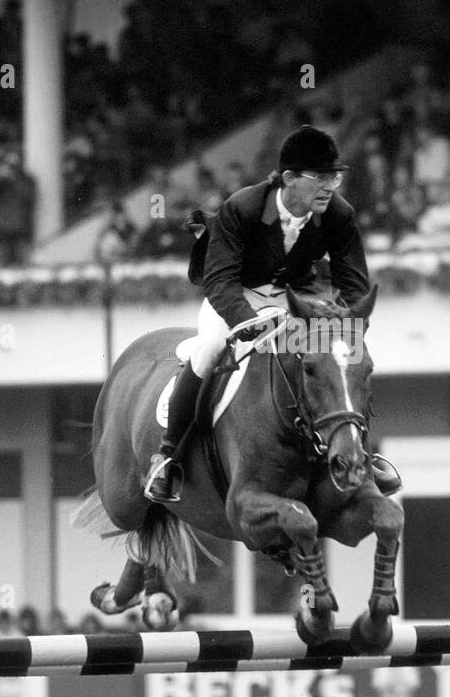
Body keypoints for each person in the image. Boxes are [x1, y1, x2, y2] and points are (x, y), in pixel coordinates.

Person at [144, 125, 402, 504]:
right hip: (235, 294)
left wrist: (345, 330)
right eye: (321, 177)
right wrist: (247, 320)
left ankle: (360, 455)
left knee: (341, 360)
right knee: (209, 349)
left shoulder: (338, 214)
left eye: (334, 177)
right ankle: (168, 457)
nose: (330, 186)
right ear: (288, 179)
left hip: (295, 296)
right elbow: (219, 280)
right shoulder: (243, 207)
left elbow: (354, 283)